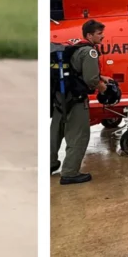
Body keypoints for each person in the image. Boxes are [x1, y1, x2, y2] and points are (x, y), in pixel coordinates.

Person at [50, 20, 109, 185]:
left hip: (60, 96)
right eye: (99, 34)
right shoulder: (89, 52)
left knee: (56, 132)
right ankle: (70, 172)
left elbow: (76, 70)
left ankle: (49, 163)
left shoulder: (73, 47)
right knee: (79, 135)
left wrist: (101, 77)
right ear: (89, 35)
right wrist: (104, 88)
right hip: (76, 100)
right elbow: (91, 79)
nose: (102, 36)